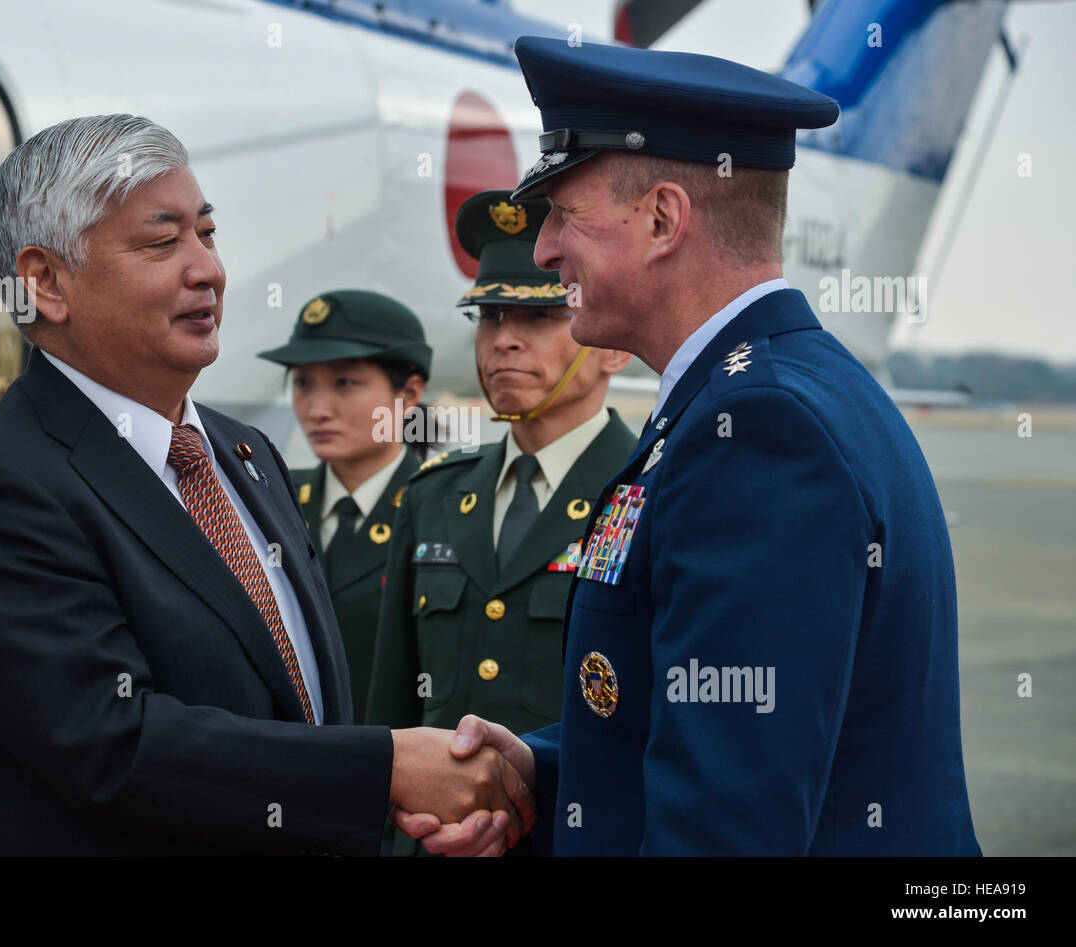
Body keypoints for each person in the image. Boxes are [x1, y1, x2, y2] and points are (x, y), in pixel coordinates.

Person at [398, 38, 981, 856]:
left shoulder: (760, 435)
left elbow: (724, 828)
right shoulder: (761, 394)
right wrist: (539, 774)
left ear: (664, 219)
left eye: (566, 212)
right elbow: (703, 731)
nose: (544, 249)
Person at [0, 113, 532, 856]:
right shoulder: (0, 487)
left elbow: (302, 714)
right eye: (161, 241)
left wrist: (401, 805)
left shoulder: (246, 454)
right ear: (45, 282)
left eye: (206, 233)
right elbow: (112, 745)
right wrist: (389, 769)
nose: (206, 268)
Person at [366, 188, 634, 737]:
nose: (504, 341)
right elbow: (392, 711)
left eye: (542, 316)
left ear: (613, 347)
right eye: (490, 316)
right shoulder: (432, 493)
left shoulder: (651, 490)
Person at [257, 290, 431, 723]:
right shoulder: (269, 501)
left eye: (345, 383)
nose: (317, 410)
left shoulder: (440, 508)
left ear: (408, 395)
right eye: (302, 384)